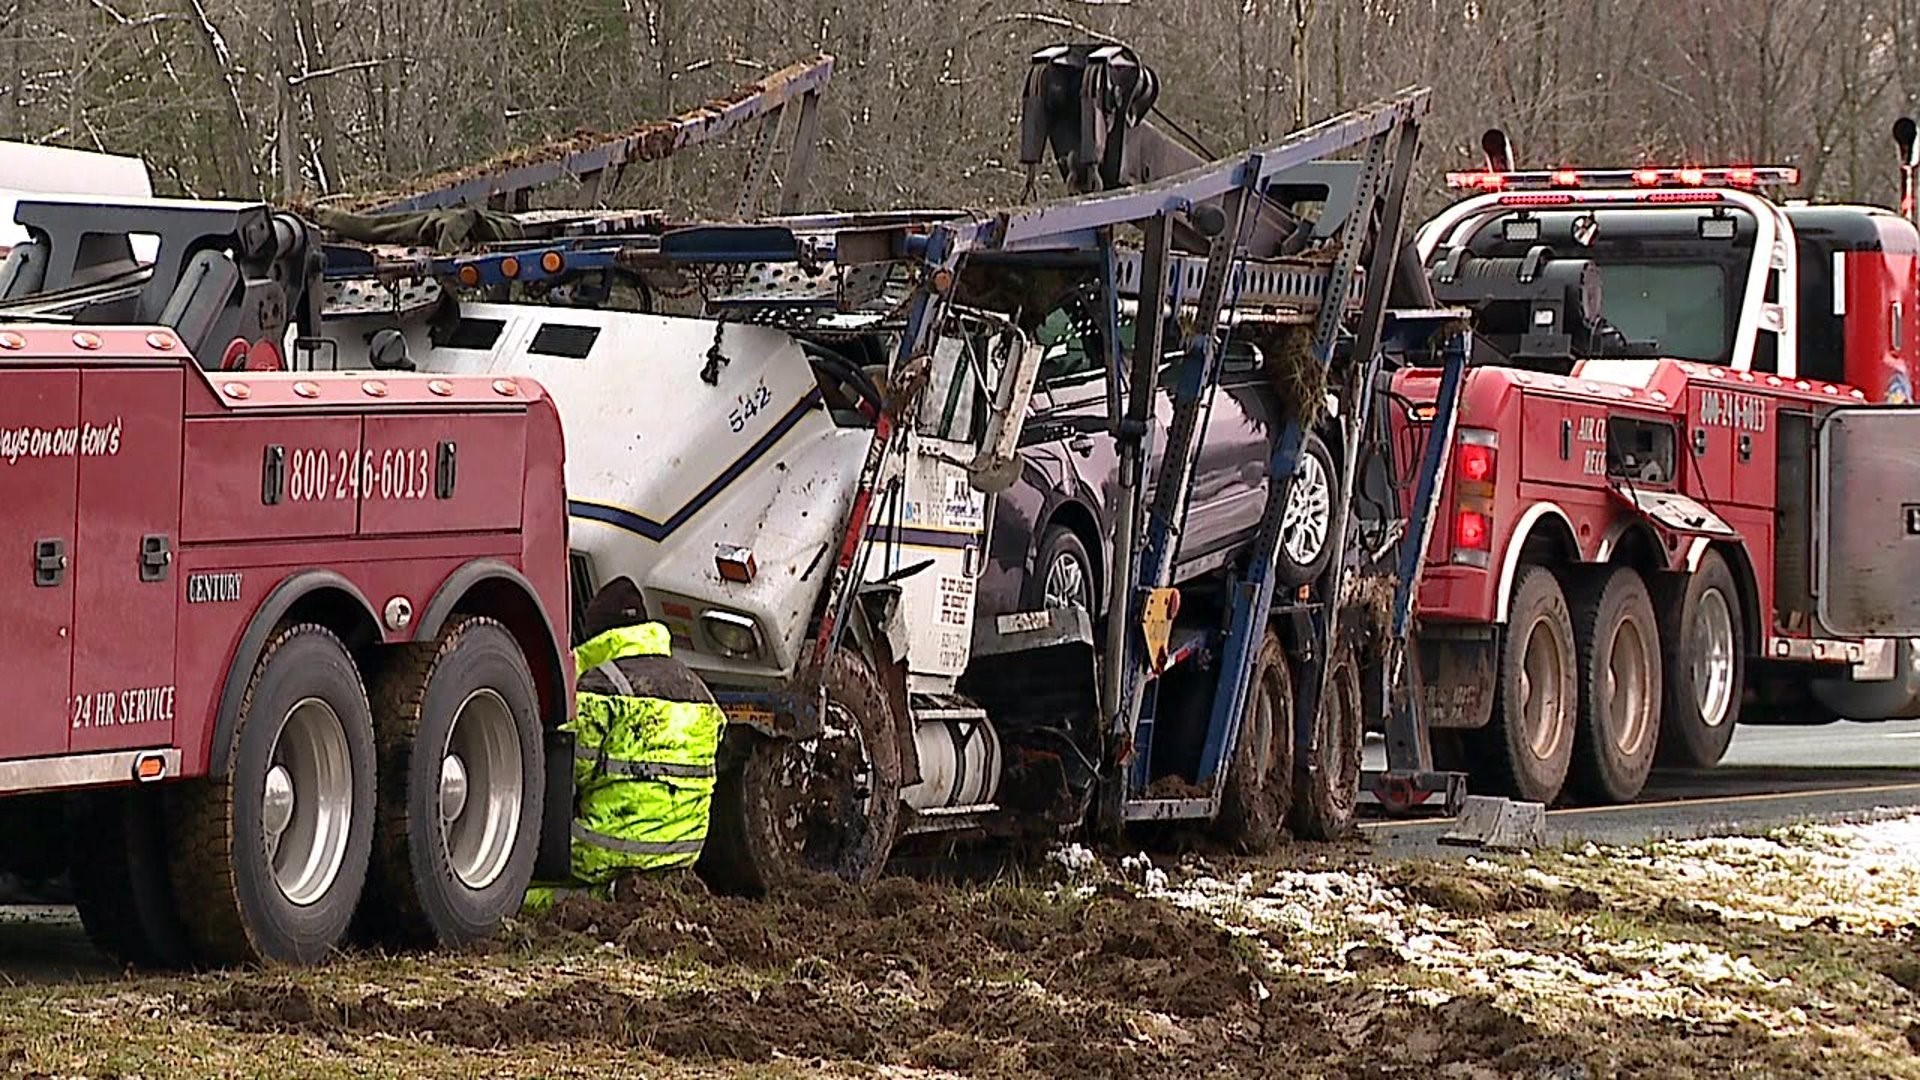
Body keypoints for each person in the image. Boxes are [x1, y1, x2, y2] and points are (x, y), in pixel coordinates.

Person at [523, 579, 726, 911]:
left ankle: (600, 897)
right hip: (681, 852)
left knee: (516, 885)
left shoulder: (599, 686)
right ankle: (644, 890)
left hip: (609, 849)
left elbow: (568, 777)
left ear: (597, 634)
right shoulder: (698, 689)